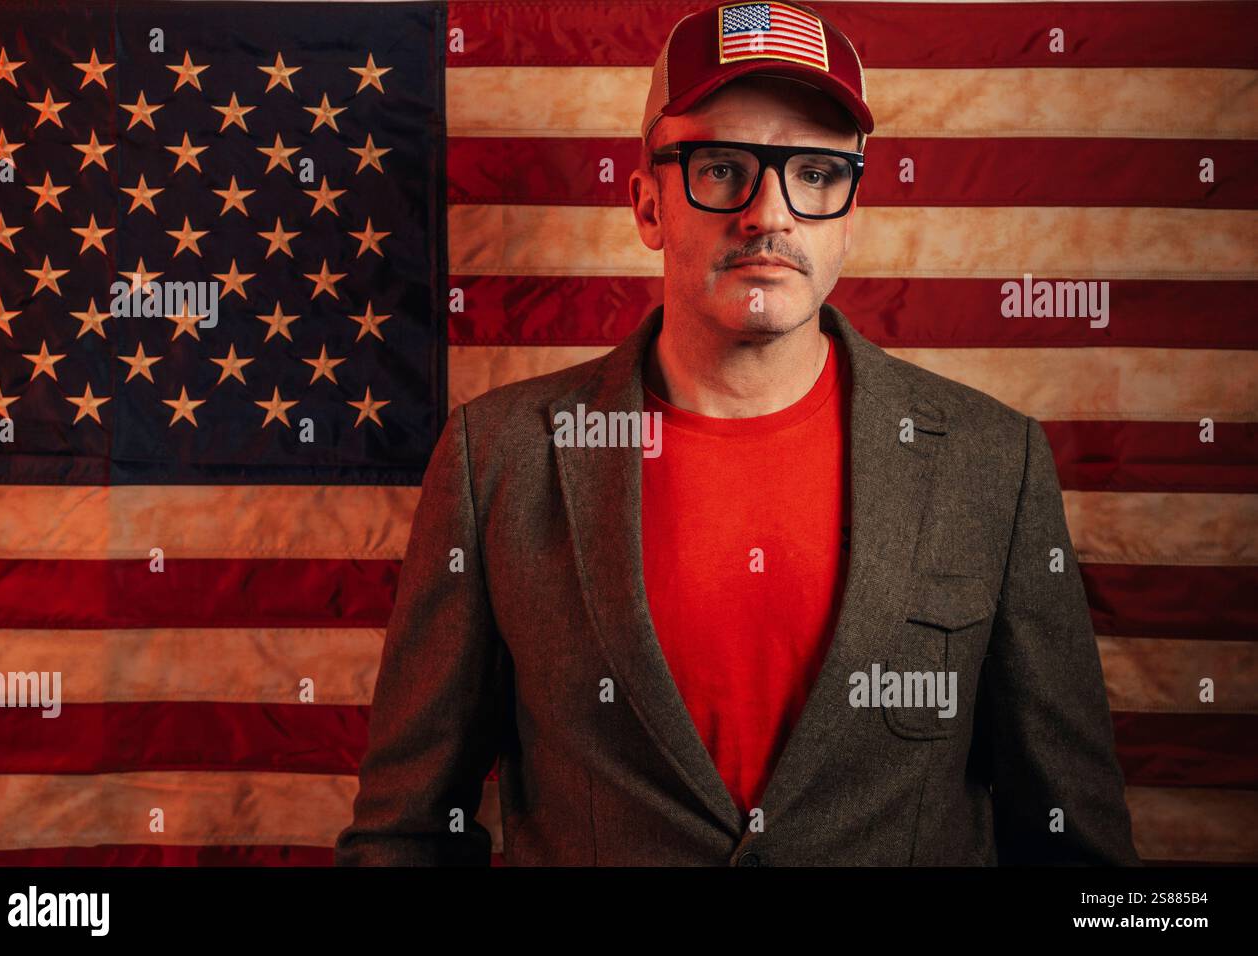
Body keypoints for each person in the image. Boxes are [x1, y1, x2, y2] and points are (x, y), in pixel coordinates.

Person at [336, 0, 1139, 866]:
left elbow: (1074, 843)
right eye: (721, 168)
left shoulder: (994, 464)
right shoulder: (497, 458)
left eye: (817, 173)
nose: (768, 213)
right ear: (648, 206)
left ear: (851, 212)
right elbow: (406, 834)